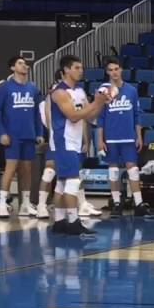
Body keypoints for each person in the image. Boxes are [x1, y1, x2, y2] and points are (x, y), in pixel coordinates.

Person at [47, 54, 109, 234]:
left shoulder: (80, 91)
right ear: (66, 70)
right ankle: (73, 222)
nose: (81, 71)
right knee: (73, 181)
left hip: (74, 141)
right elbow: (73, 116)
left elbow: (89, 116)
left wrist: (101, 103)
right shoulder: (59, 92)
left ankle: (59, 222)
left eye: (81, 68)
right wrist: (96, 102)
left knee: (62, 183)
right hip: (64, 140)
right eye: (77, 68)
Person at [93, 59, 145, 218]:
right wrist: (100, 140)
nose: (114, 72)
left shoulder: (131, 90)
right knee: (113, 171)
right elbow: (100, 118)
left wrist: (138, 136)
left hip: (128, 137)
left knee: (133, 169)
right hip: (111, 138)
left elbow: (137, 114)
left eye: (116, 69)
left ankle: (139, 203)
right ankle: (116, 203)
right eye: (110, 70)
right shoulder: (103, 91)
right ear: (107, 72)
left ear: (121, 69)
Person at [0, 55, 44, 219]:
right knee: (11, 168)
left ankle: (25, 204)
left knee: (27, 169)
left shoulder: (32, 88)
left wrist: (39, 133)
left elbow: (37, 113)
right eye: (20, 63)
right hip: (12, 135)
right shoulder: (6, 88)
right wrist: (2, 132)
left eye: (25, 63)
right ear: (12, 68)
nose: (24, 66)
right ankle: (1, 203)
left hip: (29, 135)